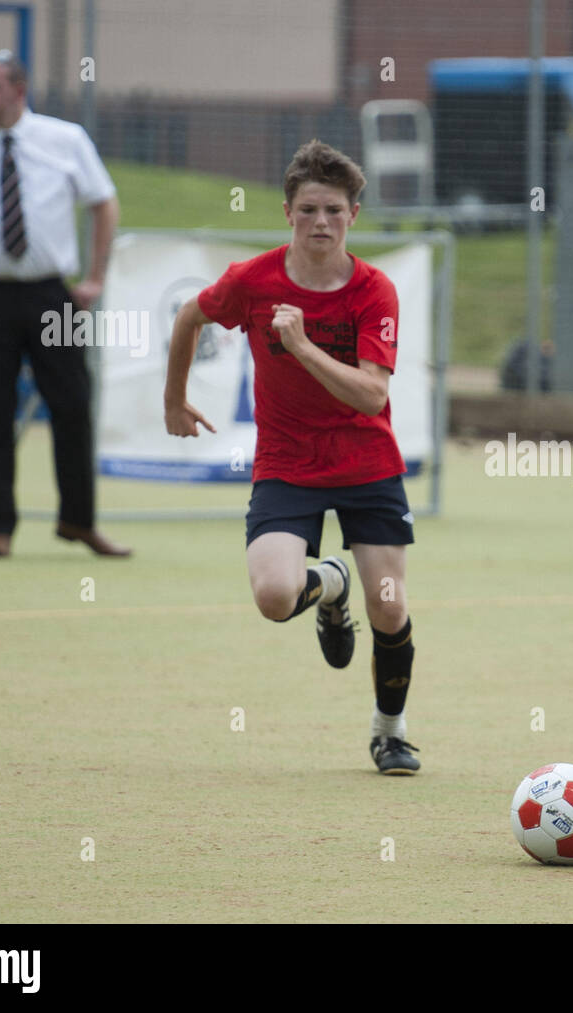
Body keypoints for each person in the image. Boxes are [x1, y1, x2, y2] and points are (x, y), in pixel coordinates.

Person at [164, 140, 420, 775]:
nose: (321, 223)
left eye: (334, 210)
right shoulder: (252, 281)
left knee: (388, 605)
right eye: (308, 210)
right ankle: (329, 584)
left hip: (367, 464)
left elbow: (371, 395)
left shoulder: (374, 291)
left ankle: (390, 731)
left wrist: (302, 346)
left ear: (354, 214)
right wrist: (174, 399)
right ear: (287, 212)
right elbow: (189, 316)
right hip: (287, 463)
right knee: (275, 595)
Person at [0, 49, 129, 558]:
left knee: (74, 404)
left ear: (19, 90)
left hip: (51, 294)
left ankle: (78, 522)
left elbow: (103, 202)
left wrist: (95, 275)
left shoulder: (66, 140)